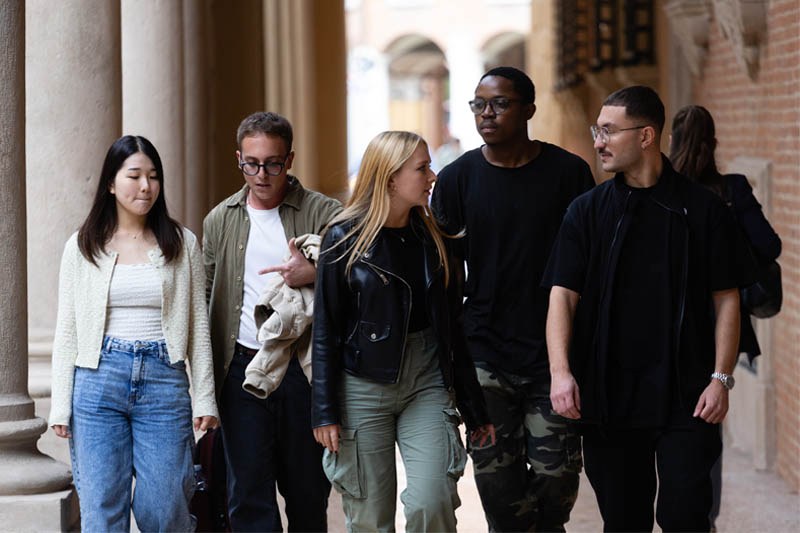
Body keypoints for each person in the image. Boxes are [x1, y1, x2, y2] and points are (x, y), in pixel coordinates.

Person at [543, 86, 752, 531]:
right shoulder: (587, 211)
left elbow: (727, 297)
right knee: (623, 521)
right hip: (607, 397)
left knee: (685, 517)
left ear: (646, 136)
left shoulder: (703, 210)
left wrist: (721, 378)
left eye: (608, 131)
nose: (598, 141)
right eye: (596, 130)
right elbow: (562, 295)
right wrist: (561, 373)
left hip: (688, 396)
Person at [431, 66, 593, 532]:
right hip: (484, 355)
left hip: (553, 357)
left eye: (499, 104)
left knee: (556, 481)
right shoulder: (458, 179)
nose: (486, 113)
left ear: (528, 111)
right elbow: (443, 274)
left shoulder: (569, 174)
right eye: (478, 104)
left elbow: (588, 268)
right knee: (500, 494)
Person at [312, 130, 495, 532]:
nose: (433, 176)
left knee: (433, 499)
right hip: (361, 387)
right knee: (370, 518)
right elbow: (325, 331)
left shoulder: (435, 238)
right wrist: (324, 410)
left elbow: (453, 330)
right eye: (422, 168)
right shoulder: (342, 239)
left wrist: (475, 408)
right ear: (391, 177)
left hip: (426, 380)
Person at [50, 135, 218, 532]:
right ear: (111, 182)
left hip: (163, 379)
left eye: (153, 176)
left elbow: (197, 327)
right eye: (135, 176)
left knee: (165, 507)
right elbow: (67, 329)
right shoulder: (83, 246)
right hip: (97, 380)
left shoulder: (181, 243)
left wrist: (205, 398)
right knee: (103, 509)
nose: (146, 187)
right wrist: (61, 403)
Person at [203, 111, 341, 531]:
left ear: (290, 159)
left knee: (306, 494)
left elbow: (359, 280)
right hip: (242, 371)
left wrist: (315, 273)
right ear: (239, 159)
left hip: (303, 373)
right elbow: (205, 298)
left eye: (273, 164)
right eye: (251, 163)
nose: (261, 175)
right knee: (247, 495)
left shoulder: (324, 212)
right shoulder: (220, 219)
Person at [669, 104, 782, 529]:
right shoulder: (730, 189)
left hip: (671, 322)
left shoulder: (667, 190)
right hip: (721, 324)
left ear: (670, 141)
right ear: (714, 143)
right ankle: (704, 514)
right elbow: (769, 247)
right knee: (705, 422)